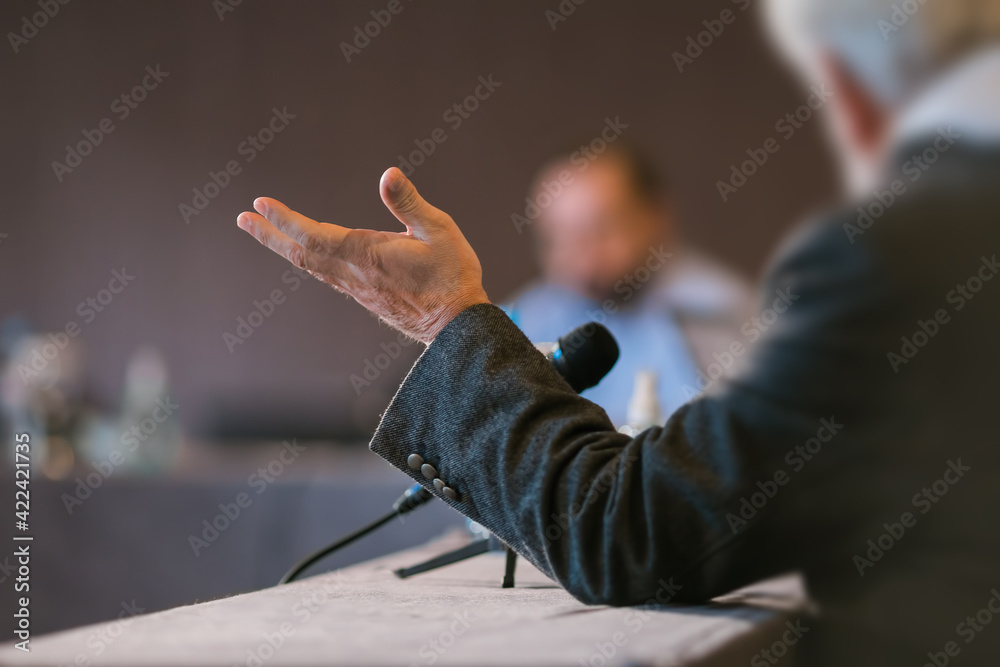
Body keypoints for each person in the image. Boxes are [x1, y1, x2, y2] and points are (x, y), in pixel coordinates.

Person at [236, 0, 1000, 662]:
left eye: (603, 227)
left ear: (846, 87)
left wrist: (447, 317)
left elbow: (630, 528)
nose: (583, 254)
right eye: (561, 235)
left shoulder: (897, 258)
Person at [506, 144, 751, 426]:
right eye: (559, 240)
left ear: (657, 215)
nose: (582, 263)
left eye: (601, 232)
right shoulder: (530, 316)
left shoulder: (711, 314)